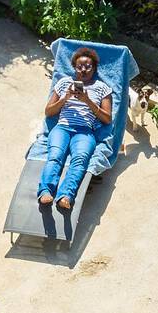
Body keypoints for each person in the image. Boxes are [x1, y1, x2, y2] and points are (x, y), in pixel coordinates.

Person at [38, 47, 112, 210]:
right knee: (55, 156)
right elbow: (49, 112)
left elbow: (107, 118)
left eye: (88, 67)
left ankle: (66, 195)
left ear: (94, 68)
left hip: (85, 132)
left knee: (80, 159)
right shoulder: (64, 83)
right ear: (74, 67)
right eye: (80, 66)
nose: (84, 70)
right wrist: (65, 98)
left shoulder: (102, 88)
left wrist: (87, 100)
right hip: (62, 128)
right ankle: (45, 191)